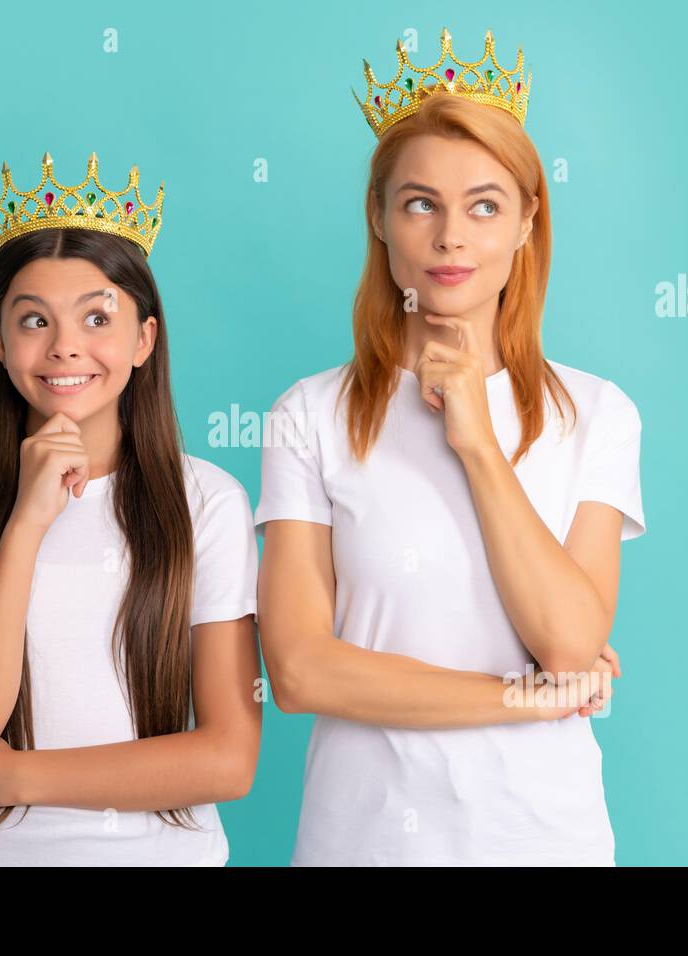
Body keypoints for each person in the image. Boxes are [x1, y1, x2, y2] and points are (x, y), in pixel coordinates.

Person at [254, 28, 646, 865]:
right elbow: (298, 671)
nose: (450, 238)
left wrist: (475, 439)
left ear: (526, 221)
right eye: (421, 202)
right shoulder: (308, 416)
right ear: (380, 216)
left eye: (484, 204)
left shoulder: (599, 414)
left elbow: (572, 645)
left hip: (543, 838)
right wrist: (524, 698)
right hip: (361, 840)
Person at [0, 151, 261, 865]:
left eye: (97, 317)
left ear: (144, 338)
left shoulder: (207, 501)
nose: (65, 348)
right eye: (33, 321)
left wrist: (13, 778)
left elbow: (228, 759)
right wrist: (26, 521)